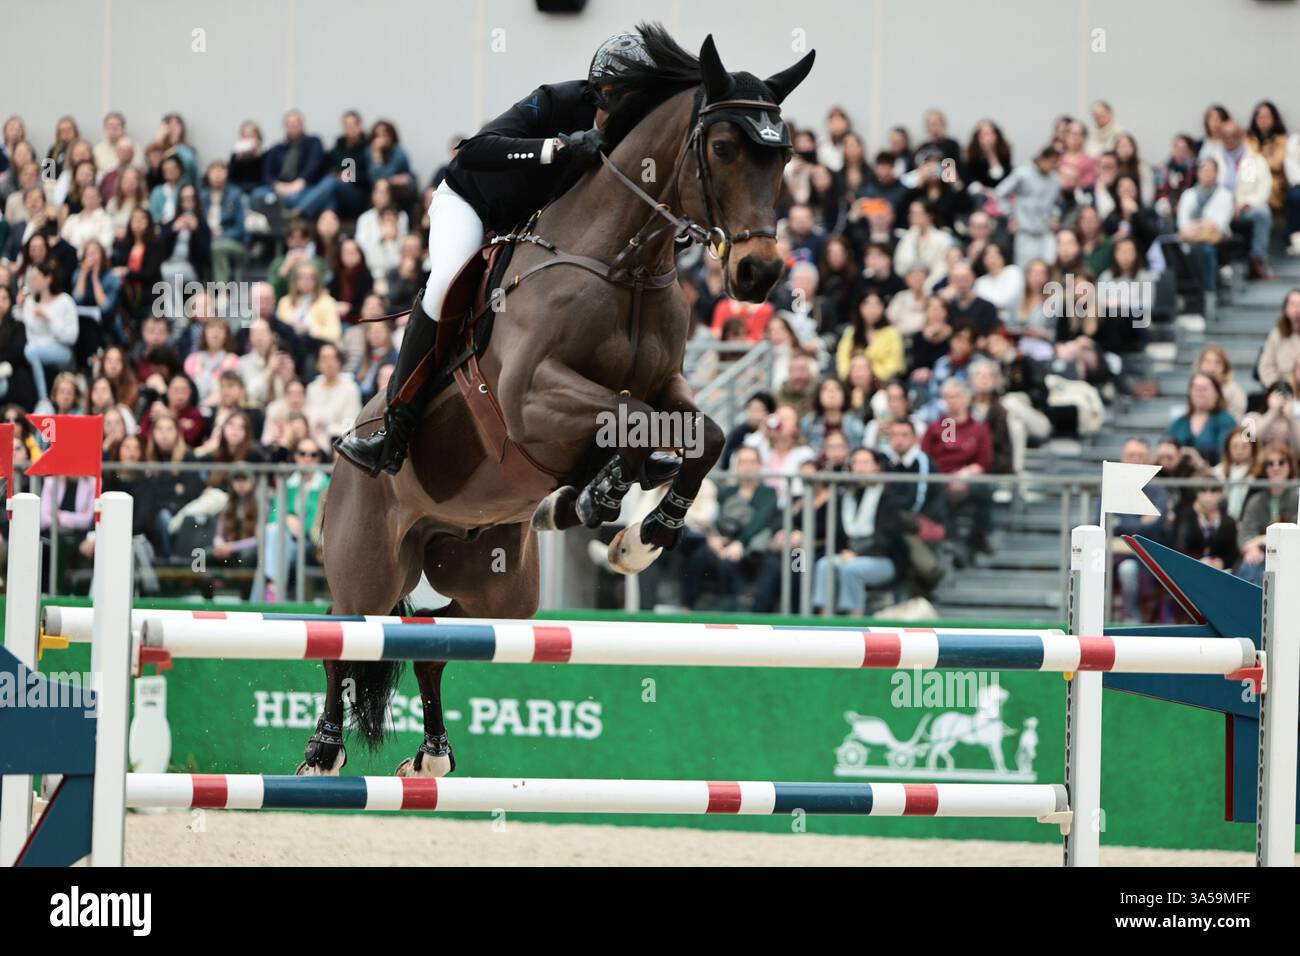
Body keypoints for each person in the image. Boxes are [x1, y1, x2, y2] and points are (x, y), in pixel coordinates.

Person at [337, 30, 653, 476]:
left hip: (530, 225)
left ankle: (628, 444)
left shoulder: (636, 132)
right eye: (614, 98)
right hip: (470, 204)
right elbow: (474, 152)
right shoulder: (553, 101)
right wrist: (557, 148)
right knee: (447, 281)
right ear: (598, 91)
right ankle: (395, 426)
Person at [811, 447, 908, 616]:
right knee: (824, 565)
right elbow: (837, 533)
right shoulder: (845, 495)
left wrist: (857, 553)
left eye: (865, 462)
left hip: (883, 558)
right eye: (856, 463)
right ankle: (824, 620)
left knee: (851, 569)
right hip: (850, 554)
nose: (860, 467)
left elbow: (888, 538)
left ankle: (854, 621)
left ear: (877, 467)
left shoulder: (889, 496)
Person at [682, 445, 777, 611]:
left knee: (730, 563)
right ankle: (686, 607)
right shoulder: (727, 492)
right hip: (723, 543)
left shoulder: (768, 493)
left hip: (753, 548)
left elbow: (760, 522)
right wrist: (713, 538)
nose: (747, 466)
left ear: (760, 465)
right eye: (743, 462)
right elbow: (713, 518)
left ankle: (738, 610)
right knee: (699, 557)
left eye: (752, 461)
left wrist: (740, 543)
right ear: (737, 465)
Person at [16, 262, 78, 411]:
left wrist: (49, 318)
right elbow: (29, 331)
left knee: (31, 351)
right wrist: (20, 307)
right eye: (30, 278)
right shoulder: (30, 302)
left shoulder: (65, 301)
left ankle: (43, 397)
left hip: (63, 350)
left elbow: (72, 337)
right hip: (37, 349)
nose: (32, 282)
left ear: (48, 279)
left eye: (36, 278)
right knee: (29, 351)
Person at [1236, 443, 1299, 585]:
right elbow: (1244, 539)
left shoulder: (1297, 498)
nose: (1276, 467)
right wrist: (1254, 549)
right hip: (1260, 556)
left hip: (1291, 556)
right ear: (1265, 469)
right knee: (1250, 565)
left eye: (1281, 462)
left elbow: (1294, 537)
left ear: (1289, 466)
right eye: (1270, 464)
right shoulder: (1256, 500)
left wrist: (1261, 541)